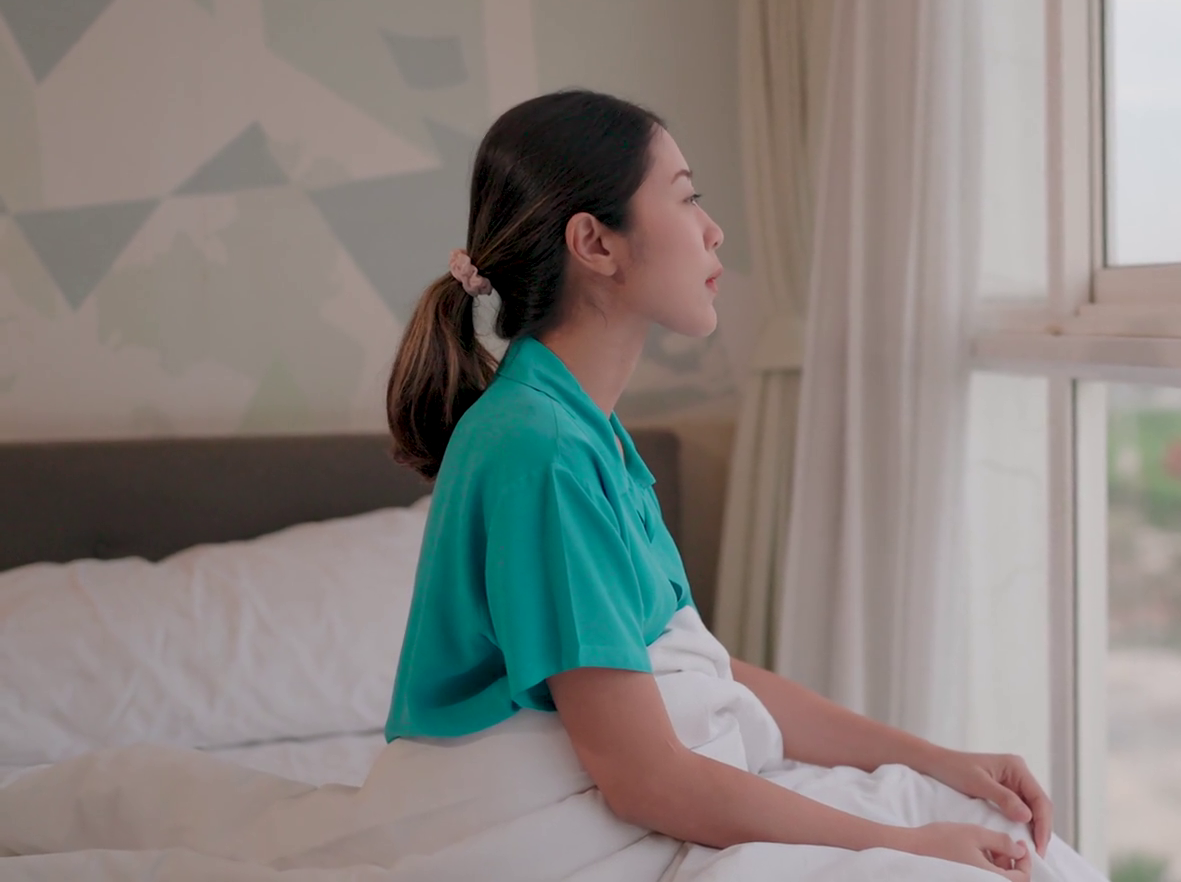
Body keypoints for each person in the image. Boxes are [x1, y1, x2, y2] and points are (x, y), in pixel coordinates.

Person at [382, 89, 1050, 880]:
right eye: (686, 197)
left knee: (973, 817)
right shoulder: (542, 448)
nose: (712, 229)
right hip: (522, 821)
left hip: (628, 792)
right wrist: (902, 845)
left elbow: (705, 671)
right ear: (595, 243)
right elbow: (645, 779)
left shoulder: (581, 430)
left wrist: (936, 759)